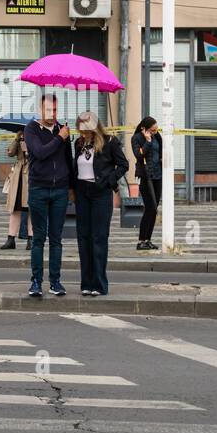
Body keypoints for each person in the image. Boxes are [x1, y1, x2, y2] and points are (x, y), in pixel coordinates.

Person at [24, 93, 75, 297]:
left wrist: (71, 187)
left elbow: (68, 159)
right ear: (40, 109)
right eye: (48, 110)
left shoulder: (62, 129)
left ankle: (55, 281)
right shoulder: (31, 129)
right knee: (39, 237)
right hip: (39, 189)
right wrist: (59, 138)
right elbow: (40, 152)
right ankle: (36, 282)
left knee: (56, 238)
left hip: (60, 189)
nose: (52, 114)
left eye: (54, 110)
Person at [72, 112, 128, 297]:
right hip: (82, 193)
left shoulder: (110, 141)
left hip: (100, 194)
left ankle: (99, 284)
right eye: (81, 125)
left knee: (99, 237)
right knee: (83, 238)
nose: (83, 129)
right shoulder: (78, 144)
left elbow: (123, 165)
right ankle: (86, 283)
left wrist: (107, 181)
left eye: (86, 125)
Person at [130, 116, 163, 250]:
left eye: (156, 130)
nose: (155, 132)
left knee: (154, 209)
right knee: (149, 208)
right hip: (146, 176)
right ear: (144, 128)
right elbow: (138, 155)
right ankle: (141, 241)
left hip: (157, 175)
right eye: (152, 130)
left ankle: (148, 239)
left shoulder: (157, 137)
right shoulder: (137, 138)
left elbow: (160, 152)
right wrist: (148, 141)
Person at [0, 130, 32, 249]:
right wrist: (17, 139)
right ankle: (10, 239)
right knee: (15, 209)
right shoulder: (19, 139)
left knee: (31, 209)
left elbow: (39, 155)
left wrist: (28, 150)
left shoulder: (36, 137)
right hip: (18, 176)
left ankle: (31, 240)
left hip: (31, 175)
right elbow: (10, 153)